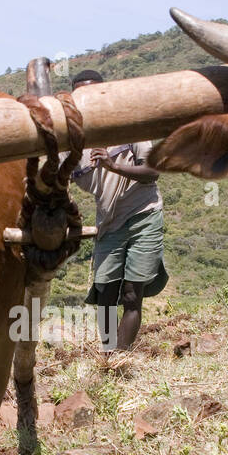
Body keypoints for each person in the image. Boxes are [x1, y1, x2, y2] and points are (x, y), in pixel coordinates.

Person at [68, 70, 168, 364]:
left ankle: (117, 361)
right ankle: (108, 351)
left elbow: (152, 173)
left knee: (131, 296)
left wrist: (112, 165)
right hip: (109, 223)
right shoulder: (73, 144)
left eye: (96, 93)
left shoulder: (130, 128)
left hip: (143, 215)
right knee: (105, 294)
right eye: (81, 96)